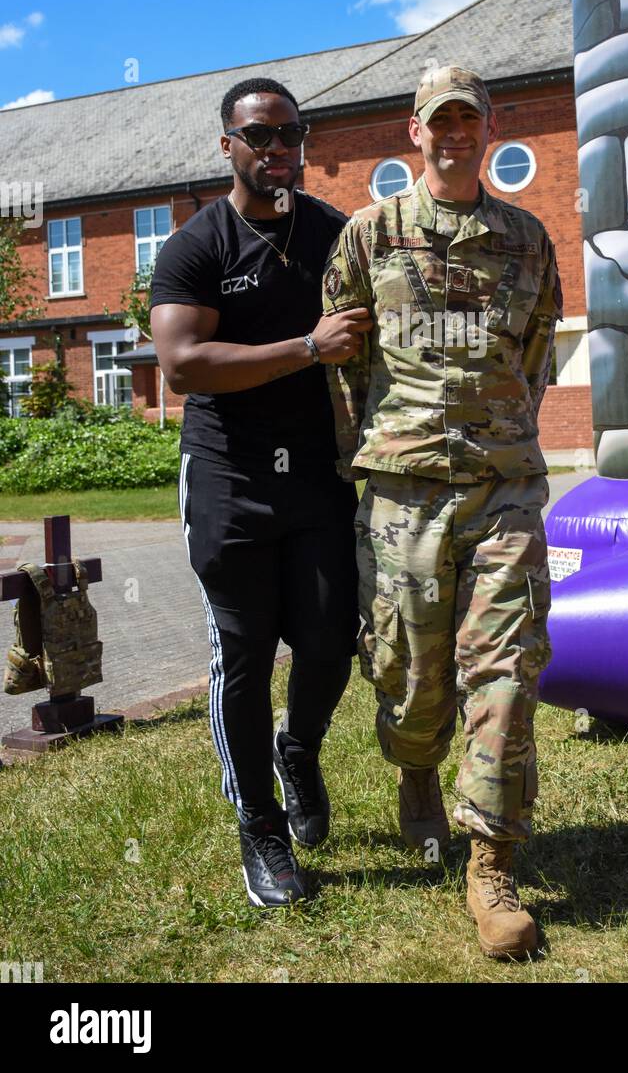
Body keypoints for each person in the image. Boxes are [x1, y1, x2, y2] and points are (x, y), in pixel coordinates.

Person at [321, 64, 562, 960]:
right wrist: (381, 454)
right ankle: (416, 772)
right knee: (411, 675)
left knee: (504, 668)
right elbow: (343, 360)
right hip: (402, 491)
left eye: (470, 119)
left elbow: (537, 357)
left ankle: (490, 865)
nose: (455, 134)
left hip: (503, 487)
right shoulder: (369, 235)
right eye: (440, 121)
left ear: (488, 128)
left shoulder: (530, 239)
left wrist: (499, 439)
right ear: (413, 132)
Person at [150, 77, 371, 908]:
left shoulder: (337, 234)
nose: (276, 149)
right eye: (259, 136)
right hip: (229, 473)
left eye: (289, 134)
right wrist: (307, 348)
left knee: (327, 640)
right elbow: (182, 363)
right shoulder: (196, 245)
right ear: (228, 147)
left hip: (318, 472)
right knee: (242, 654)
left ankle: (301, 749)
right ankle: (261, 828)